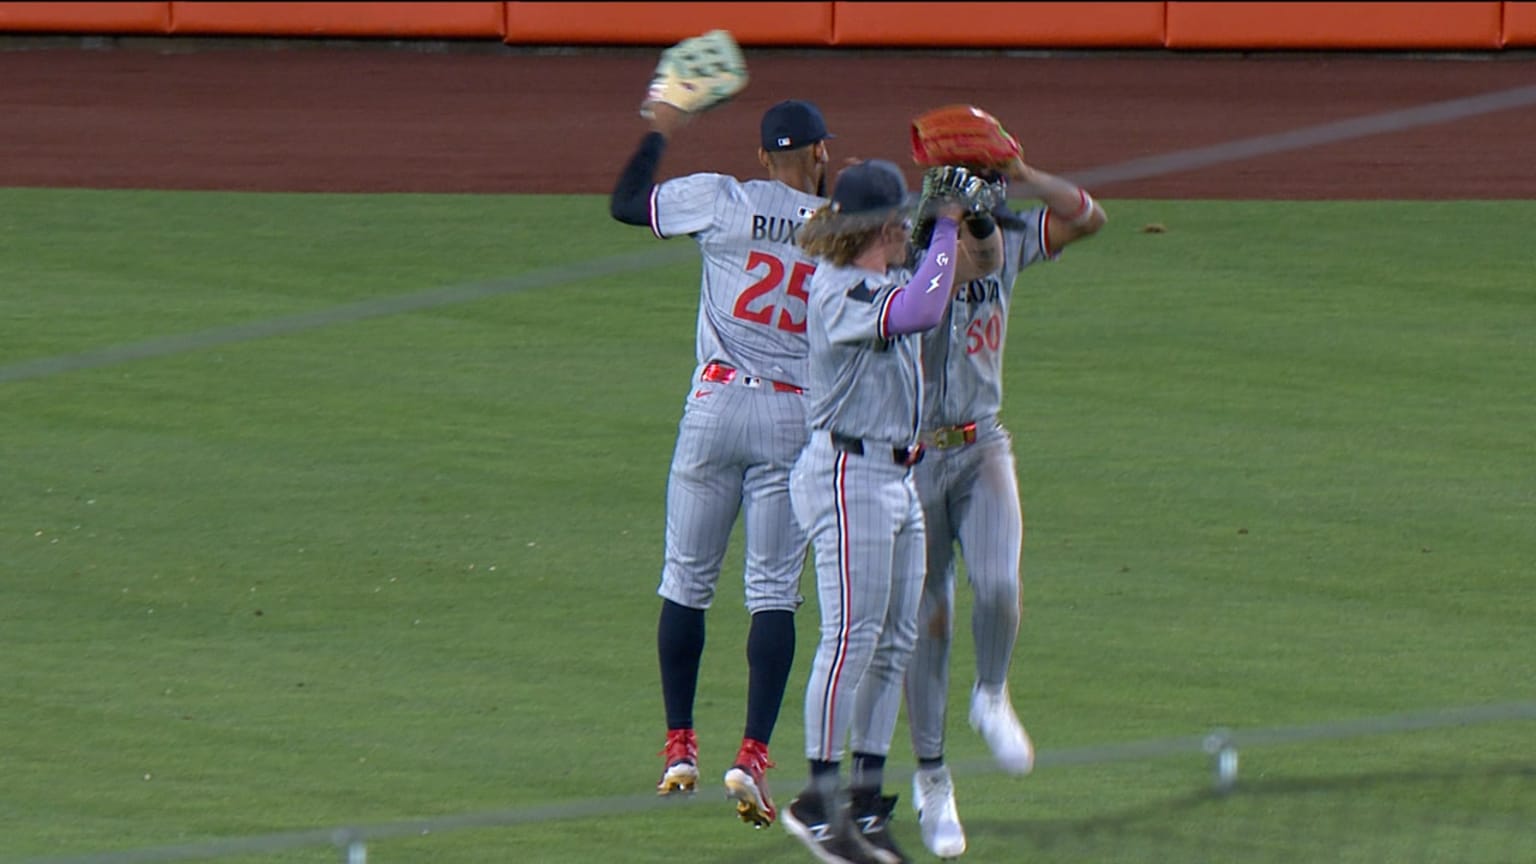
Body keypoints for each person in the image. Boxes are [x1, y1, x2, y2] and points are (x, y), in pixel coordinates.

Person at [608, 96, 833, 830]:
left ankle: (679, 748)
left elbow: (625, 205)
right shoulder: (843, 226)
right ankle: (753, 757)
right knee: (772, 592)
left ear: (763, 156)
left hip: (713, 405)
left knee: (685, 578)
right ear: (821, 154)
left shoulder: (724, 196)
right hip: (791, 415)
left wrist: (662, 126)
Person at [780, 160, 1002, 864]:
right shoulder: (840, 289)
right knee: (850, 637)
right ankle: (817, 804)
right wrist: (942, 228)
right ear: (880, 225)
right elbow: (921, 310)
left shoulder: (880, 279)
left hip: (897, 477)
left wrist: (965, 222)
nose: (910, 225)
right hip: (848, 472)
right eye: (903, 218)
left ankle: (866, 808)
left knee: (894, 642)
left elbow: (952, 282)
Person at [903, 154, 1107, 859]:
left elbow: (1088, 217)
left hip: (984, 443)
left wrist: (1026, 172)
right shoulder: (903, 248)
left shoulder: (1010, 235)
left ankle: (991, 694)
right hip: (912, 455)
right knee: (928, 620)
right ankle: (932, 779)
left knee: (999, 586)